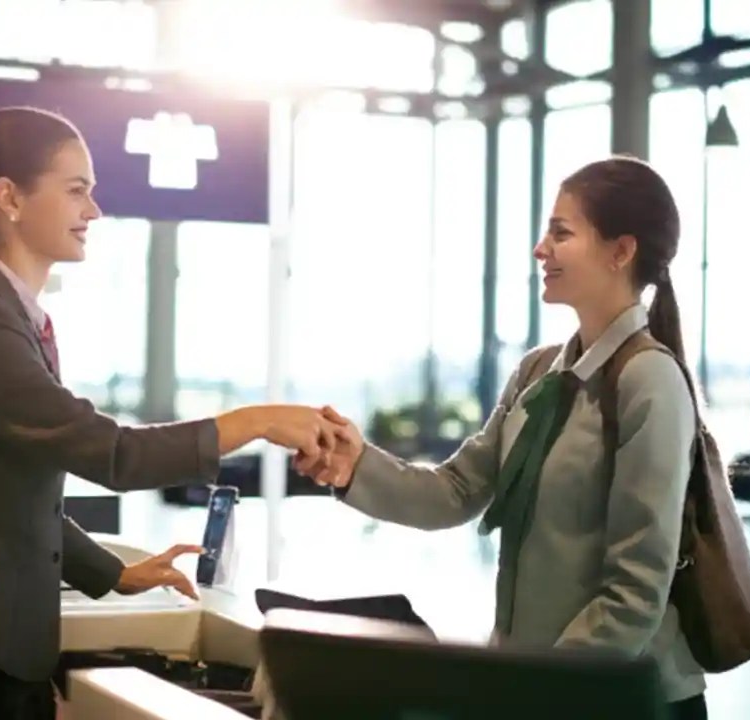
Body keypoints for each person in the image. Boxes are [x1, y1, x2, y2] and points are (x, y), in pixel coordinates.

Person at [0, 106, 344, 720]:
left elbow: (11, 493)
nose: (93, 211)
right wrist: (256, 421)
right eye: (77, 192)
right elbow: (114, 455)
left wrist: (115, 573)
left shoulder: (13, 316)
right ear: (9, 198)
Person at [297, 156, 709, 719]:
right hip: (543, 689)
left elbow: (636, 592)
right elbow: (456, 491)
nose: (542, 249)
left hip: (618, 699)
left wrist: (538, 690)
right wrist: (356, 465)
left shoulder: (650, 381)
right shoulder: (539, 374)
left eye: (561, 233)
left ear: (621, 251)